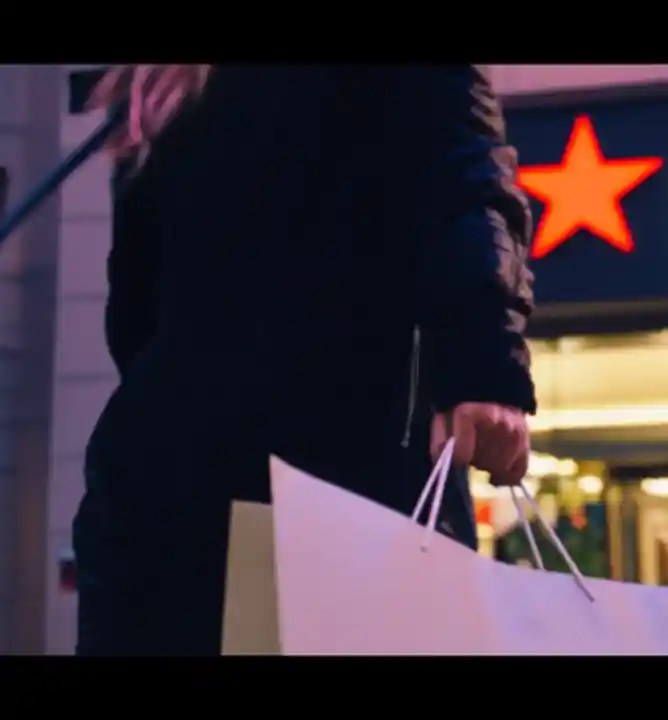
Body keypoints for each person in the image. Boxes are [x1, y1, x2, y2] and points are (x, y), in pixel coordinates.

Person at [71, 65, 538, 656]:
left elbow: (135, 308)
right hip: (336, 482)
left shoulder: (163, 84)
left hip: (165, 496)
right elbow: (468, 190)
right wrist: (485, 366)